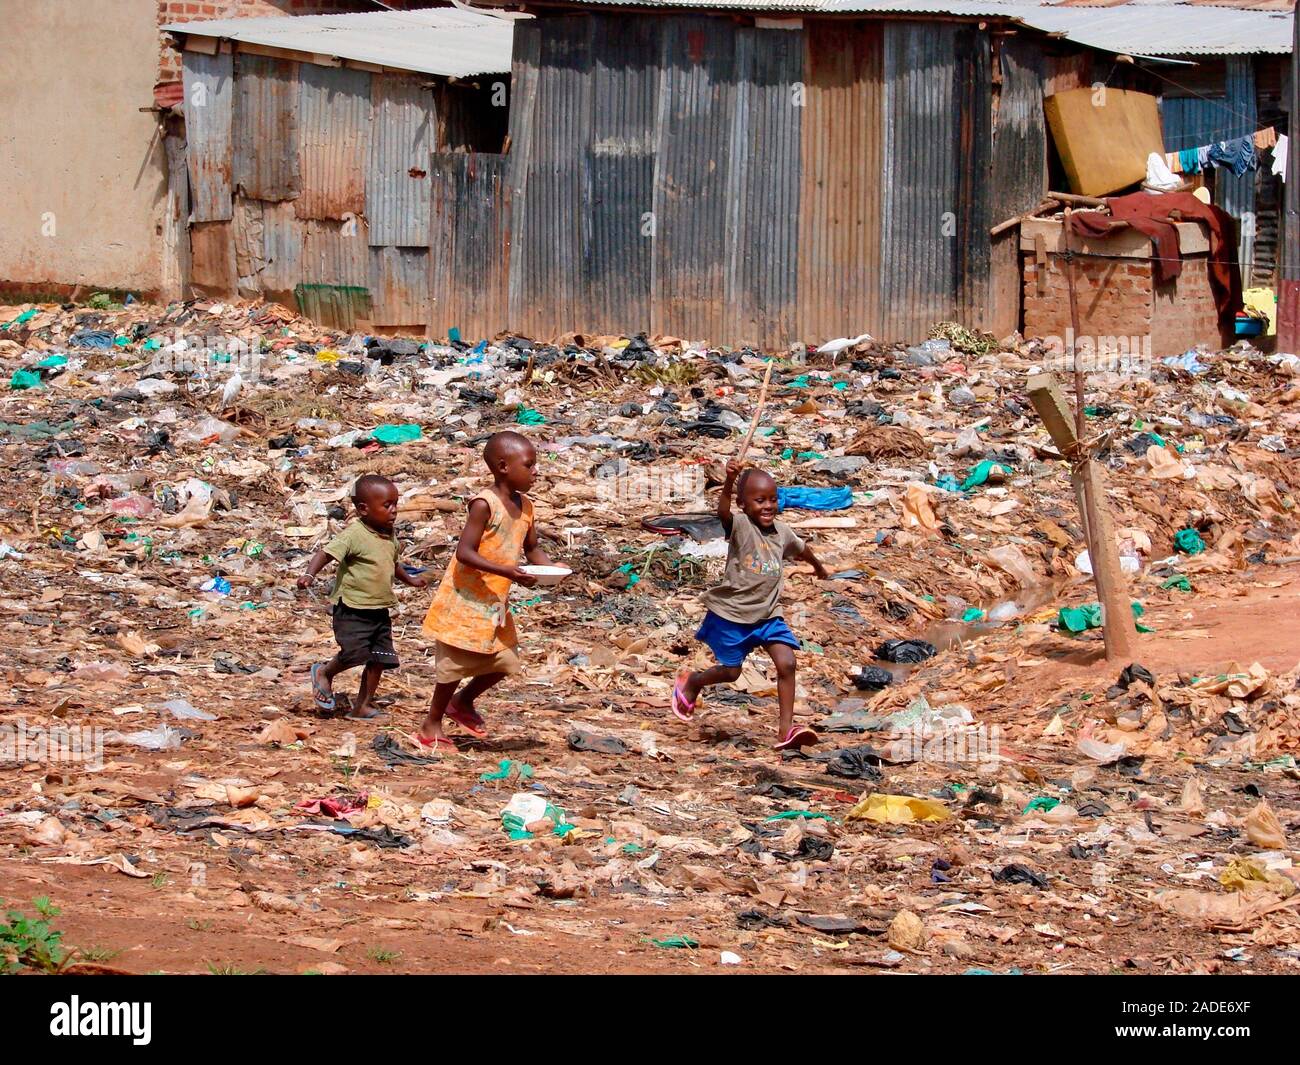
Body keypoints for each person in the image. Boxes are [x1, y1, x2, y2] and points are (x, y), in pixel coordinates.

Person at [672, 459, 828, 749]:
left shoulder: (782, 533)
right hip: (734, 615)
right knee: (732, 672)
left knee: (787, 663)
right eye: (759, 501)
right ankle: (693, 682)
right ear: (743, 505)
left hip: (768, 616)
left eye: (772, 499)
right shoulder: (741, 526)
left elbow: (802, 549)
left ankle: (785, 731)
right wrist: (729, 482)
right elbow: (722, 512)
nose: (768, 506)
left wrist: (819, 568)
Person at [416, 431, 556, 750]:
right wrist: (505, 570)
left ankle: (462, 702)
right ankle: (431, 723)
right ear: (504, 466)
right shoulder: (484, 504)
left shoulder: (527, 507)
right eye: (530, 465)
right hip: (465, 599)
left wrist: (551, 571)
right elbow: (464, 552)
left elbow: (532, 549)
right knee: (453, 665)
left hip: (495, 600)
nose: (537, 471)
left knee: (505, 661)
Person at [298, 474, 426, 720]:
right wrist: (309, 574)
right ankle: (324, 672)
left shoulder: (388, 534)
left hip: (380, 609)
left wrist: (409, 580)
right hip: (352, 608)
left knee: (380, 659)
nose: (394, 511)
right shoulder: (354, 534)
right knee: (355, 653)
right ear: (363, 509)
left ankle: (362, 705)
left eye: (395, 504)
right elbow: (326, 554)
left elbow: (392, 562)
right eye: (387, 505)